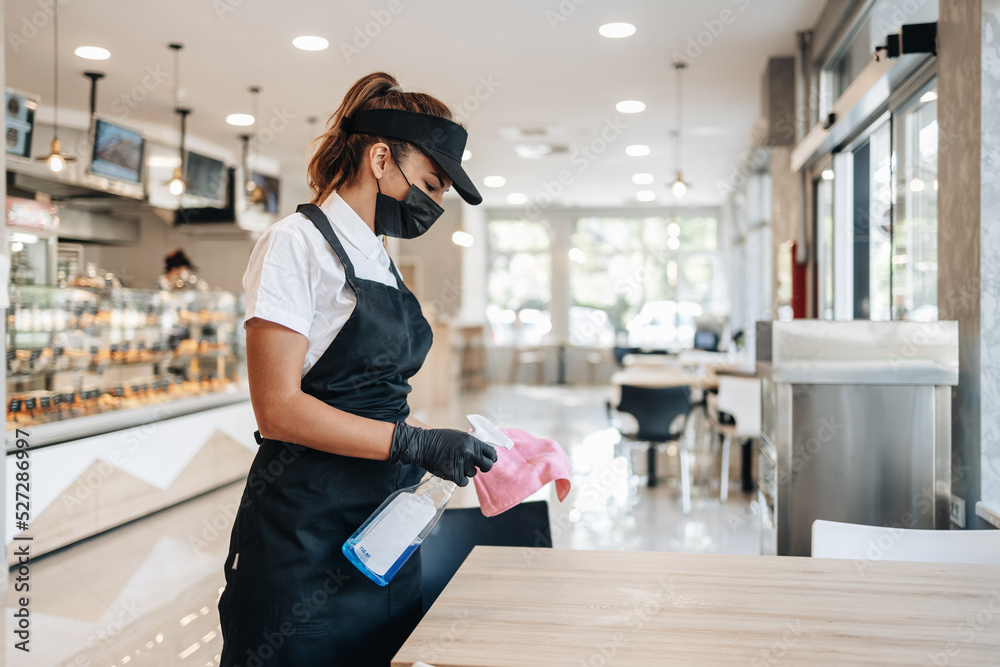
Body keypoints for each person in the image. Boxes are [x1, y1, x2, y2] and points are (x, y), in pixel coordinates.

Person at [217, 72, 497, 666]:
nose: (435, 204)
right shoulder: (295, 244)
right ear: (378, 158)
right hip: (304, 532)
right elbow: (279, 407)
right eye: (429, 183)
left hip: (384, 530)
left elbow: (371, 396)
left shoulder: (378, 256)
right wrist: (412, 440)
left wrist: (450, 444)